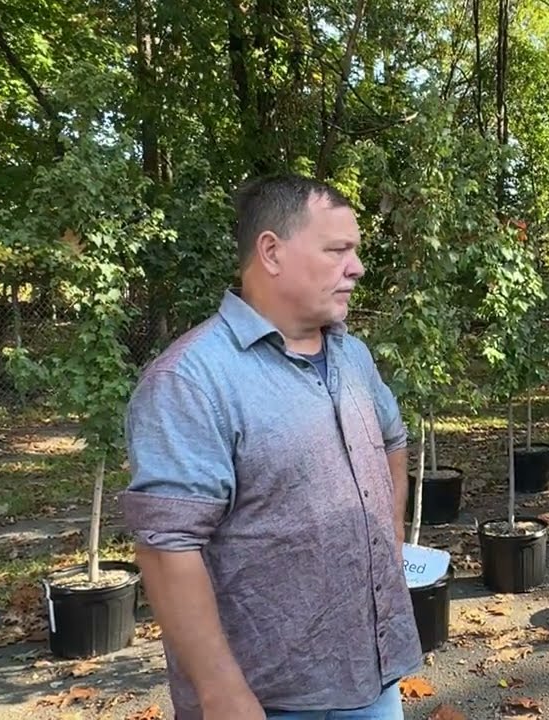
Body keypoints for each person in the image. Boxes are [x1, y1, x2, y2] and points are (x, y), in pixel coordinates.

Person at [119, 175, 420, 720]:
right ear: (272, 252)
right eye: (338, 250)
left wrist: (390, 539)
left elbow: (392, 441)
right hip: (268, 699)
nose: (357, 267)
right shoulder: (191, 380)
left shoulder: (353, 357)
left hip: (372, 675)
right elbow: (168, 546)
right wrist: (221, 692)